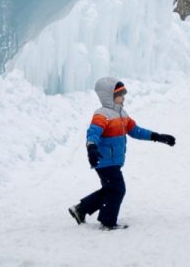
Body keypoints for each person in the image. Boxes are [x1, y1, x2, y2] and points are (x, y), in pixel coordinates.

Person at [68, 77, 175, 230]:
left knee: (111, 189)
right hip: (103, 160)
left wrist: (157, 137)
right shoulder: (102, 114)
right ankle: (107, 222)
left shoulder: (122, 114)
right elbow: (93, 133)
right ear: (109, 95)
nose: (123, 96)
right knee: (118, 189)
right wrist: (91, 147)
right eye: (120, 93)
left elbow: (136, 131)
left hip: (113, 161)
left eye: (124, 93)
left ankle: (80, 209)